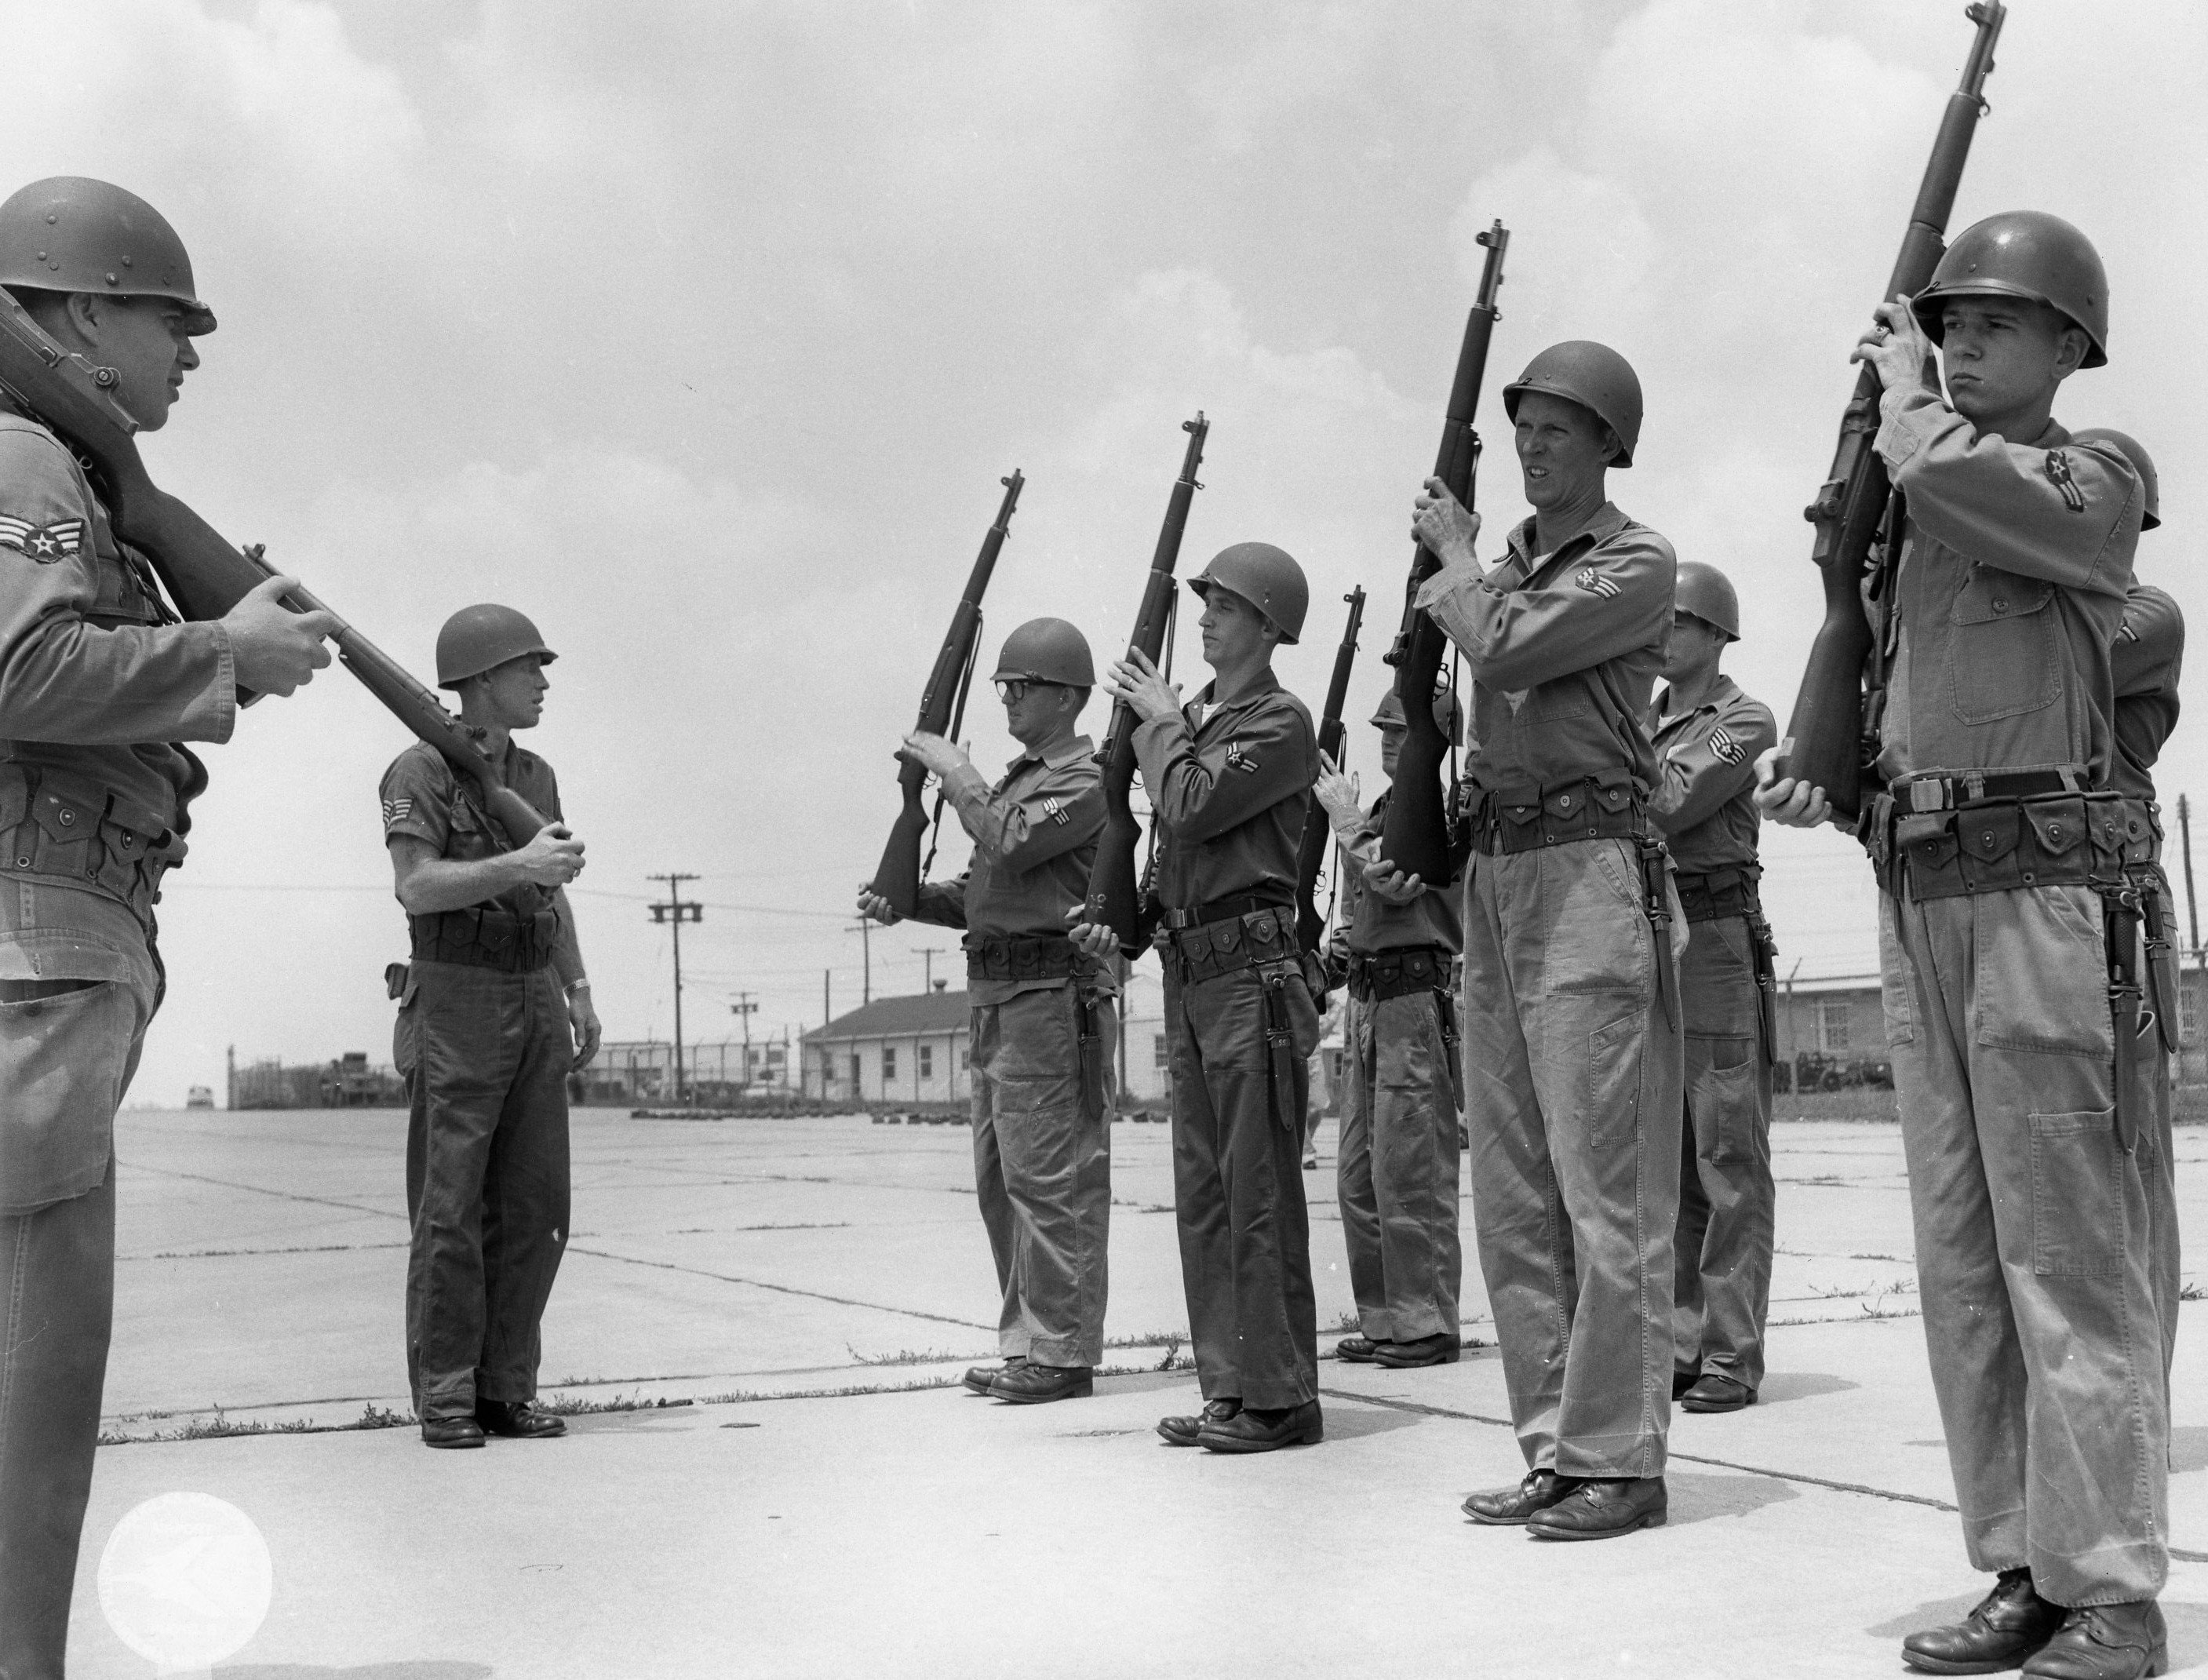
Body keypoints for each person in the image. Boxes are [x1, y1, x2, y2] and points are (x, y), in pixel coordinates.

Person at [1757, 213, 2166, 1679]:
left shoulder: (2088, 472)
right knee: (1964, 1265)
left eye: (1996, 320)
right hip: (1923, 896)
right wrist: (1832, 781)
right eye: (1948, 320)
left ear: (2069, 345)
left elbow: (2046, 528)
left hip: (2042, 907)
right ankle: (2019, 1562)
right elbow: (1892, 719)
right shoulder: (1914, 527)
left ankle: (2110, 1589)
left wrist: (1908, 410)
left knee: (2065, 1256)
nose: (1962, 338)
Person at [0, 176, 339, 1680]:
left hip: (63, 950)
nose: (189, 350)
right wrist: (224, 648)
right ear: (77, 312)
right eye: (165, 317)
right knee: (28, 1377)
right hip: (33, 959)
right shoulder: (26, 453)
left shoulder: (71, 470)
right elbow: (22, 668)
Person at [1394, 339, 1685, 1541]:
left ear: (1610, 443)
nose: (1532, 443)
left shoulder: (1634, 561)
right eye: (1524, 424)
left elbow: (1507, 646)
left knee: (1601, 1184)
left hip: (1586, 873)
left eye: (1560, 426)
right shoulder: (1502, 564)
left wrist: (1455, 562)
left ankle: (1619, 1456)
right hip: (1500, 872)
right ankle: (1553, 1447)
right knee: (1512, 1191)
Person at [1069, 542, 1324, 1454]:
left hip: (1250, 982)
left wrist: (1160, 722)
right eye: (1205, 603)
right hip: (1192, 974)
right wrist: (1124, 924)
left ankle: (1283, 1394)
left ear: (1268, 626)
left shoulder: (1278, 721)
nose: (1207, 617)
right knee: (1206, 1196)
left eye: (1225, 605)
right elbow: (1175, 857)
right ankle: (1233, 1384)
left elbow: (1189, 805)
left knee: (1255, 1192)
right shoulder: (1202, 722)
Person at [858, 618, 1116, 1405]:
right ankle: (1028, 1341)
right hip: (997, 995)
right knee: (1000, 1184)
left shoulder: (1087, 780)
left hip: (1048, 998)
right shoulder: (1015, 780)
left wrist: (953, 767)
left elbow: (1008, 842)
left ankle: (1062, 1351)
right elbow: (990, 891)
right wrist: (908, 900)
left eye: (1024, 683)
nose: (1008, 693)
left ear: (1069, 695)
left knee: (1050, 1182)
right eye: (1003, 682)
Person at [383, 603, 599, 1449]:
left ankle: (507, 1386)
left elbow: (552, 890)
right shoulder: (420, 769)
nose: (542, 681)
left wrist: (577, 986)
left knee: (538, 1202)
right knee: (452, 1207)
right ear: (478, 681)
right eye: (527, 668)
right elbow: (417, 884)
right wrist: (520, 863)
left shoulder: (535, 774)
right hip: (459, 993)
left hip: (532, 985)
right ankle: (446, 1393)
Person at [1645, 561, 1779, 1415]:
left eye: (1680, 621)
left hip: (1717, 936)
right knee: (1673, 1153)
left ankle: (1732, 1350)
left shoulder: (1743, 717)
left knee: (1727, 1151)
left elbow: (1667, 800)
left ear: (1716, 633)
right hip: (1657, 930)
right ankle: (1687, 1342)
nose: (1662, 634)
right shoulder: (1641, 718)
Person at [2072, 428, 2181, 1398]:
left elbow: (2055, 668)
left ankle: (2141, 1389)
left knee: (2131, 1155)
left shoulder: (2147, 614)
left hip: (2111, 905)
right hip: (2040, 895)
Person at [1312, 684, 1464, 1369]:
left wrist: (1345, 825)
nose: (1387, 739)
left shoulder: (1441, 811)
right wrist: (1317, 971)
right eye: (1384, 728)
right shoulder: (1377, 812)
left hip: (1412, 1001)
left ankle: (1425, 1322)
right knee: (1358, 1177)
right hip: (1371, 1002)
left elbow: (1392, 878)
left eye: (1401, 730)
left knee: (1410, 1174)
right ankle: (1384, 1320)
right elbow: (1356, 924)